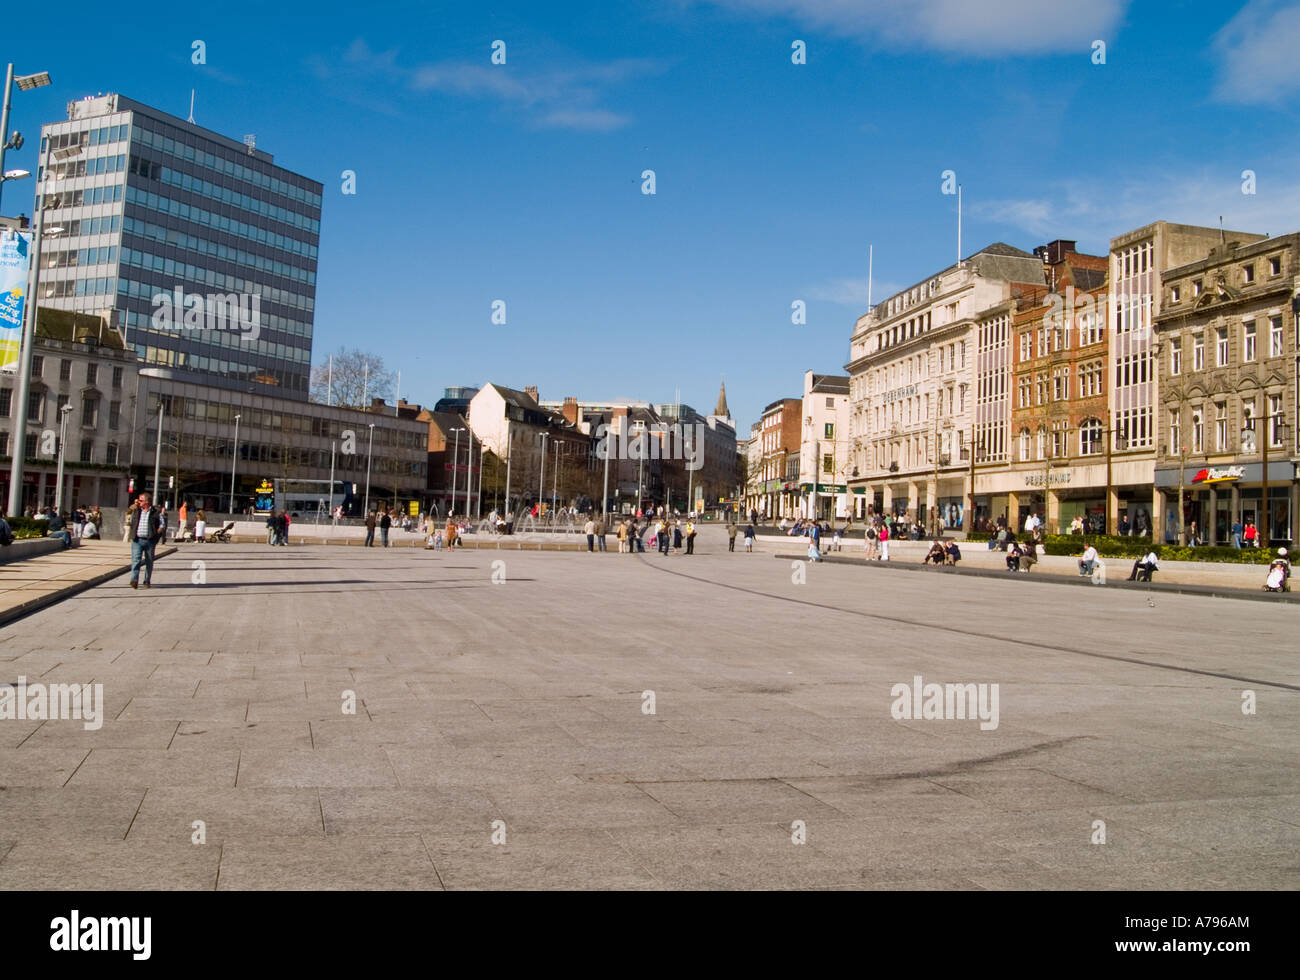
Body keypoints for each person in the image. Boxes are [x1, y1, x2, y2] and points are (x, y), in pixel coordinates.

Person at [126, 492, 162, 588]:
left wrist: (157, 535)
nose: (139, 502)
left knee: (149, 562)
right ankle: (134, 580)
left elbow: (162, 524)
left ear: (147, 502)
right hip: (137, 540)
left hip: (150, 540)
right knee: (136, 560)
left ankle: (147, 581)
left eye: (141, 500)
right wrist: (131, 508)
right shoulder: (136, 510)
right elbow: (128, 514)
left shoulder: (156, 512)